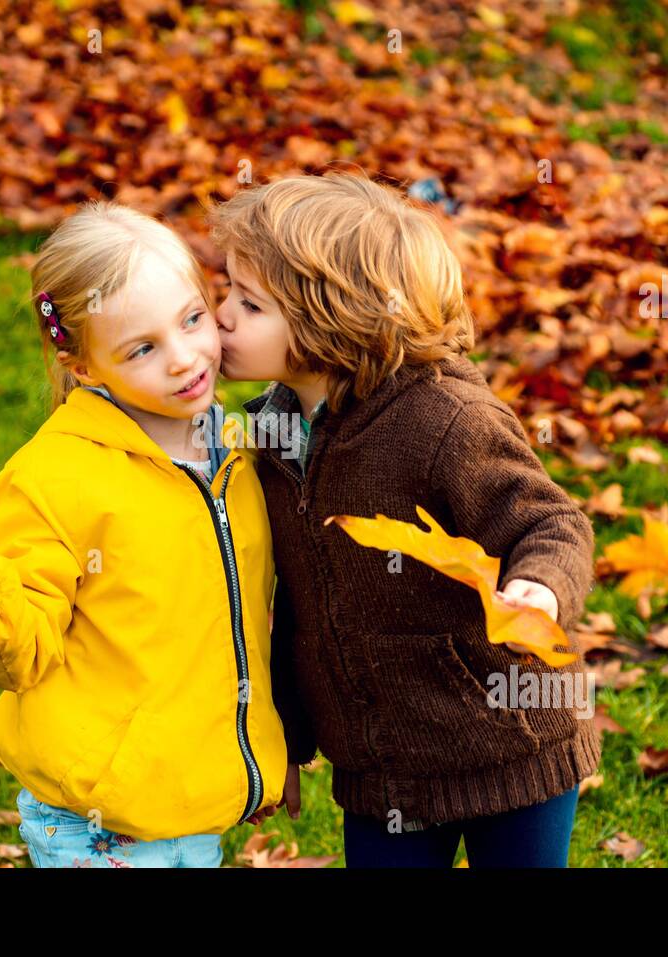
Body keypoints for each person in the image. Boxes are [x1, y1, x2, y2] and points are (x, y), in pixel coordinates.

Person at [209, 171, 599, 867]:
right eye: (227, 293)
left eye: (250, 303)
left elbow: (552, 524)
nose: (223, 316)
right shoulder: (271, 435)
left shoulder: (444, 420)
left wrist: (540, 587)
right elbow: (299, 604)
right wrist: (287, 739)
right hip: (383, 767)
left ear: (334, 321)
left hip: (506, 743)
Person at [0, 201, 287, 867]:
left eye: (192, 319)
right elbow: (18, 650)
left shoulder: (235, 448)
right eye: (142, 348)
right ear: (81, 364)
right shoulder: (53, 479)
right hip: (100, 817)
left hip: (193, 797)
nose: (183, 358)